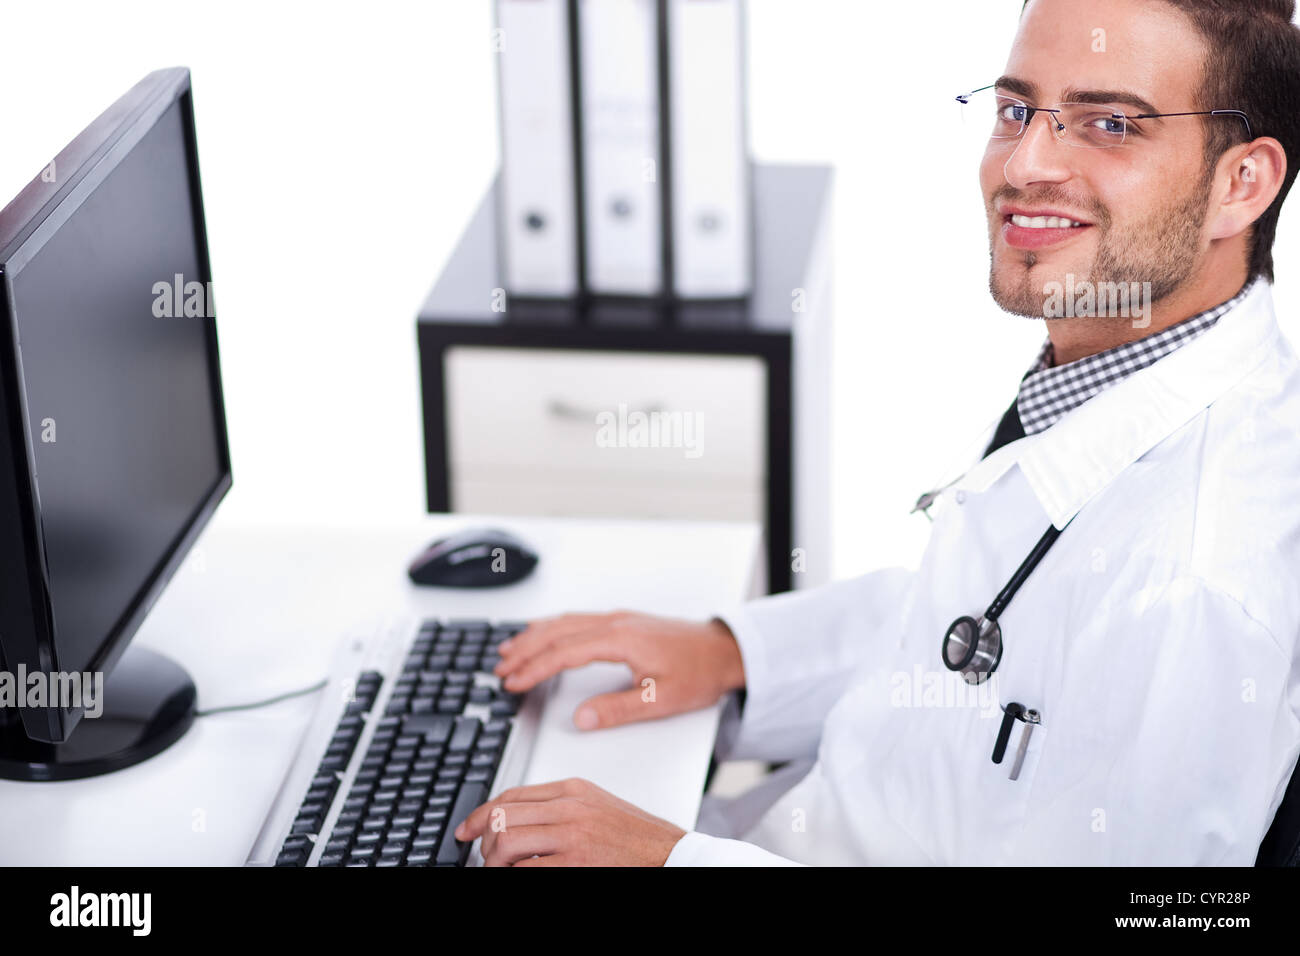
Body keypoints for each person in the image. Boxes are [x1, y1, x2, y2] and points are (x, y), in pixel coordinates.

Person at [456, 0, 1300, 865]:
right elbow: (974, 633)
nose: (1026, 162)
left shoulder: (1197, 589)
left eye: (1110, 123)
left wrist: (674, 862)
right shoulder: (1112, 365)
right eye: (1016, 110)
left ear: (1243, 183)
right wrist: (733, 656)